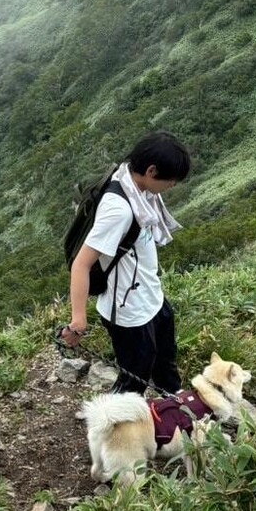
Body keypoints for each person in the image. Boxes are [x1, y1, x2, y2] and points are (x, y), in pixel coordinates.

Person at [61, 131, 192, 393]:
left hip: (151, 296)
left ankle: (175, 412)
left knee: (165, 362)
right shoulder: (119, 209)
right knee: (134, 379)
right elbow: (81, 264)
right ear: (151, 171)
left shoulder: (136, 186)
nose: (173, 185)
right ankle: (114, 427)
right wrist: (78, 320)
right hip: (128, 311)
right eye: (171, 180)